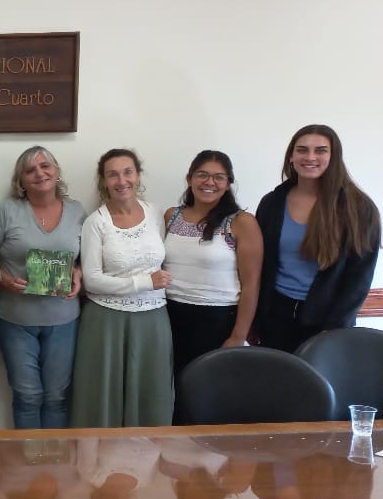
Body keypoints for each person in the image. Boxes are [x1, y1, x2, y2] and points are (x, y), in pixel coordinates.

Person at [253, 124, 380, 352]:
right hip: (274, 316)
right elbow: (259, 265)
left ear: (334, 157)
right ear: (291, 156)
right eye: (302, 150)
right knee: (277, 374)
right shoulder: (272, 203)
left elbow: (359, 278)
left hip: (326, 322)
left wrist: (335, 328)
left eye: (320, 150)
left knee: (316, 376)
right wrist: (254, 320)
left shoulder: (359, 208)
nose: (310, 157)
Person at [70, 149, 173, 428]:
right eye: (112, 175)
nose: (121, 180)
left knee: (152, 391)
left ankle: (146, 454)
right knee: (103, 394)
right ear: (104, 181)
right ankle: (99, 456)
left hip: (153, 318)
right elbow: (92, 280)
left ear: (138, 175)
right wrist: (145, 282)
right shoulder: (96, 222)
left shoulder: (155, 214)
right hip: (106, 321)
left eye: (128, 172)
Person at [0, 146, 86, 429]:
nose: (39, 173)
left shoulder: (78, 211)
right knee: (27, 396)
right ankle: (29, 456)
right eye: (30, 170)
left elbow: (90, 256)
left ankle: (53, 457)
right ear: (20, 180)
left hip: (63, 319)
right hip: (14, 319)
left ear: (57, 172)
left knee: (57, 397)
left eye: (45, 166)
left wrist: (79, 273)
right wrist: (4, 279)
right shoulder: (6, 211)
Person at [162, 151, 262, 383]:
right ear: (189, 179)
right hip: (168, 316)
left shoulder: (242, 222)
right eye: (202, 175)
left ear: (228, 183)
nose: (209, 182)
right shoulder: (171, 216)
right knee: (172, 389)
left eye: (219, 177)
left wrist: (238, 336)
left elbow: (252, 284)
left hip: (217, 321)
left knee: (210, 390)